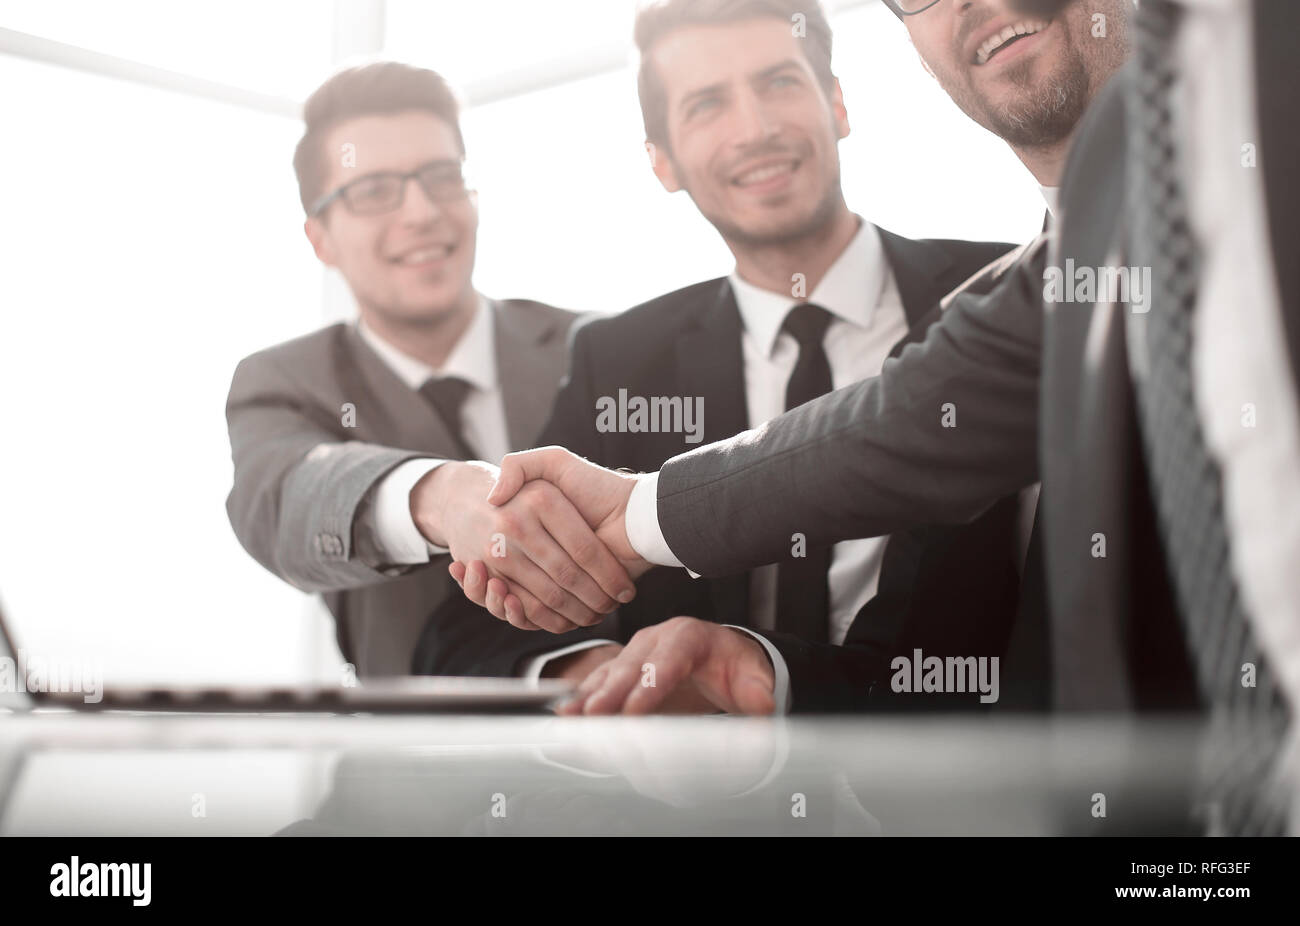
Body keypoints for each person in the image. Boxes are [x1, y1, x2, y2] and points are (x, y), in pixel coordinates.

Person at [457, 0, 1134, 713]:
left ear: (838, 104)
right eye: (708, 104)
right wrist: (628, 681)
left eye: (779, 83)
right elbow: (481, 629)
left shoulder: (999, 304)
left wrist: (638, 513)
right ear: (660, 162)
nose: (756, 130)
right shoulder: (616, 361)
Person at [225, 62, 635, 678]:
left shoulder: (603, 344)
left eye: (441, 178)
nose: (420, 213)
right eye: (373, 191)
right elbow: (284, 500)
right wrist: (439, 497)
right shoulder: (285, 382)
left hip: (654, 745)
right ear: (321, 240)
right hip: (408, 763)